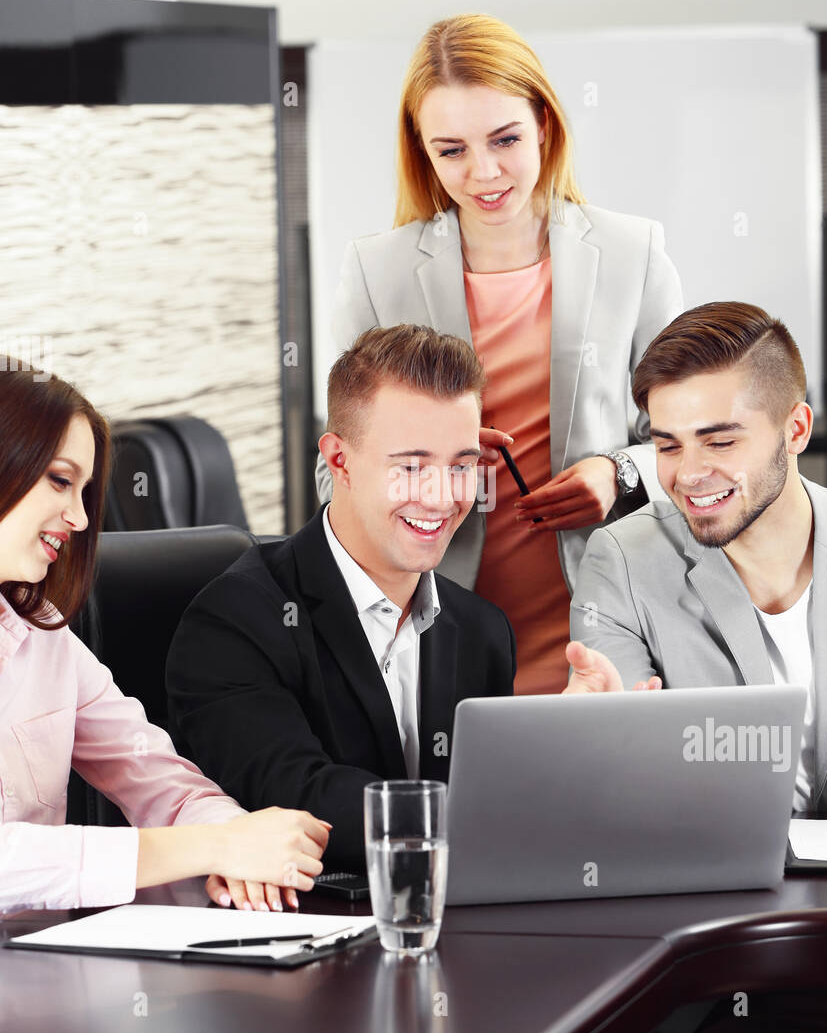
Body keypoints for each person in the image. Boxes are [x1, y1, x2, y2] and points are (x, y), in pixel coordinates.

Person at [568, 301, 827, 1033]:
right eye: (667, 443)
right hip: (754, 972)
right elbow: (632, 805)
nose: (688, 472)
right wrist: (597, 753)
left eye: (720, 439)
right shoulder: (624, 563)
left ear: (796, 429)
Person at [315, 12, 683, 693]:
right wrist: (420, 459)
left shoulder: (634, 253)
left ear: (544, 123)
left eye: (505, 138)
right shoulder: (377, 272)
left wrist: (619, 476)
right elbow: (331, 476)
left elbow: (691, 442)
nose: (483, 173)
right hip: (433, 624)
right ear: (422, 152)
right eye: (451, 150)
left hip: (606, 612)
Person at [167, 325, 619, 874]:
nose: (442, 496)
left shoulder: (481, 631)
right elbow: (300, 797)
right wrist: (519, 798)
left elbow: (479, 815)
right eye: (411, 466)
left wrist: (565, 748)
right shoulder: (234, 621)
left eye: (461, 465)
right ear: (339, 462)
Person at [0, 359, 330, 917]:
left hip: (42, 975)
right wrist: (213, 846)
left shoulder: (43, 635)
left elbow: (158, 777)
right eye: (60, 480)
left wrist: (237, 848)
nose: (80, 519)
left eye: (84, 491)